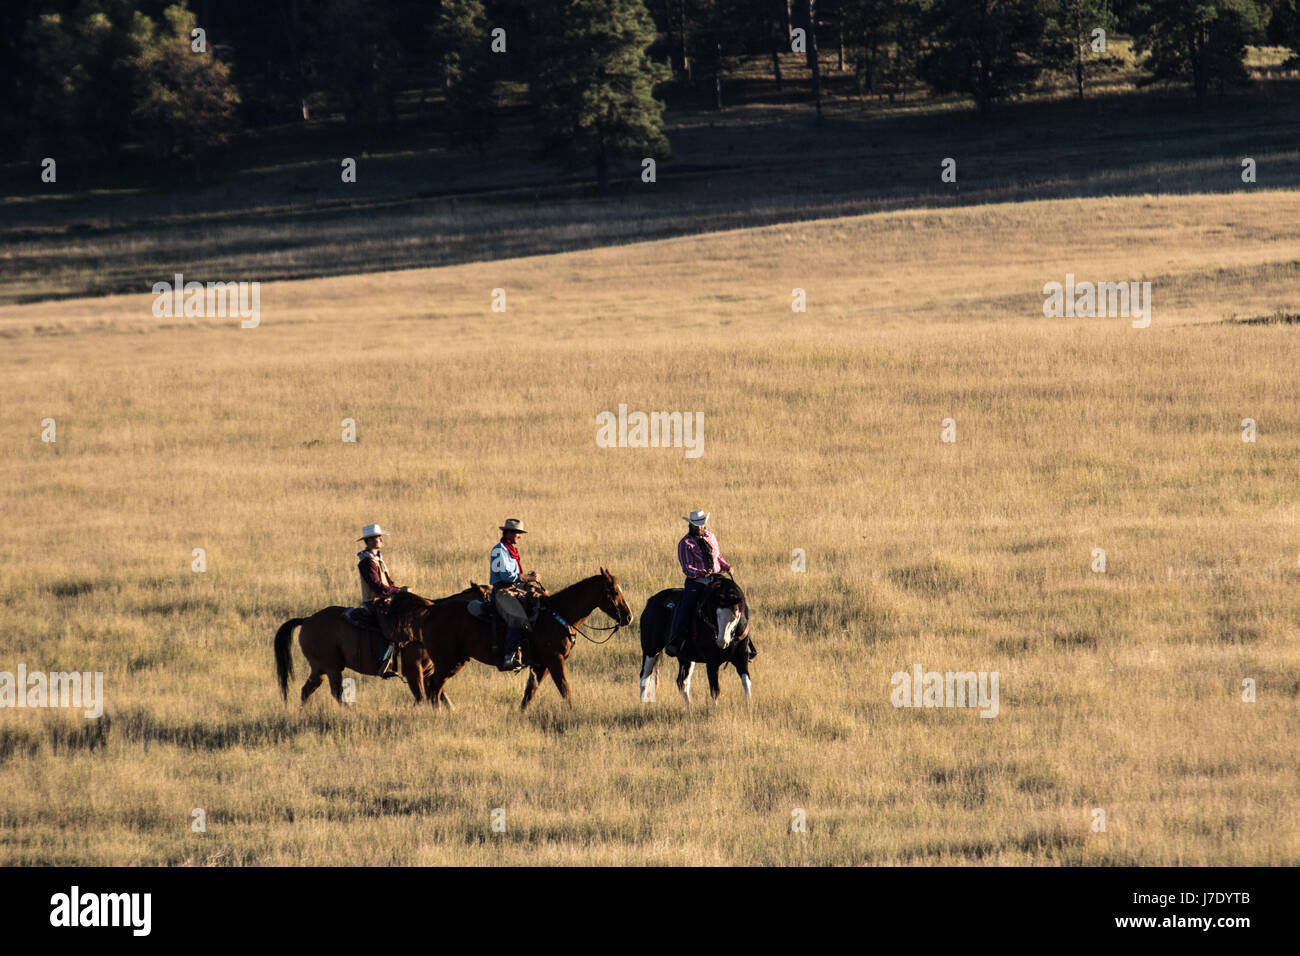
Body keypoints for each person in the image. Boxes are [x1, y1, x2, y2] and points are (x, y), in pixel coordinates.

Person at [664, 510, 731, 658]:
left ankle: (744, 641)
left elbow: (717, 556)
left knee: (734, 602)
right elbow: (686, 567)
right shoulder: (685, 543)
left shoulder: (711, 536)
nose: (699, 528)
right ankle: (676, 640)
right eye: (696, 525)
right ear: (690, 525)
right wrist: (699, 572)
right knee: (686, 607)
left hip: (715, 579)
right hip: (697, 582)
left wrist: (726, 566)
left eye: (701, 525)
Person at [489, 518, 541, 670]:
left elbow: (516, 579)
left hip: (513, 591)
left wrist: (531, 588)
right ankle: (508, 656)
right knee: (518, 618)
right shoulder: (499, 550)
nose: (520, 536)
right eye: (518, 532)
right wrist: (528, 577)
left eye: (520, 533)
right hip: (501, 593)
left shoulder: (512, 552)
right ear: (508, 533)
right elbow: (506, 576)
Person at [356, 523, 405, 679]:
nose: (381, 539)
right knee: (391, 627)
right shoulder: (366, 562)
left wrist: (398, 590)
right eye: (378, 537)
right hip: (374, 602)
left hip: (385, 600)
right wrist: (399, 591)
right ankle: (384, 663)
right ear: (369, 541)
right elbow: (377, 587)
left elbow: (387, 583)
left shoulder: (377, 560)